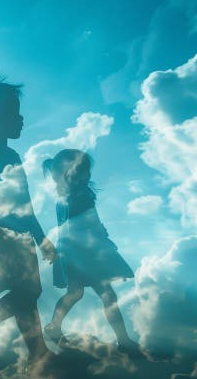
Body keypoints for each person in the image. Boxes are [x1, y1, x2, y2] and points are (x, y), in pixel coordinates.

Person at [0, 77, 56, 377]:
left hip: (6, 233)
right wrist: (37, 237)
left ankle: (37, 350)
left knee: (27, 294)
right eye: (14, 113)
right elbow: (11, 200)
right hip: (7, 234)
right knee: (26, 293)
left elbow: (17, 201)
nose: (21, 118)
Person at [42, 149, 141, 355]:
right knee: (104, 294)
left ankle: (54, 326)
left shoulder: (72, 194)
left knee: (78, 292)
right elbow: (77, 224)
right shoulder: (73, 195)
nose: (88, 174)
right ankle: (123, 341)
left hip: (80, 251)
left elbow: (85, 220)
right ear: (72, 171)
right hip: (83, 253)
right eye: (84, 169)